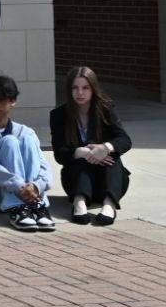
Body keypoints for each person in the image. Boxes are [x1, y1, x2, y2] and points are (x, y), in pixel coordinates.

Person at [0, 73, 54, 231]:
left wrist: (36, 186)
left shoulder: (26, 132)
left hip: (28, 194)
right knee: (9, 141)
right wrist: (19, 186)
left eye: (1, 99)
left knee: (25, 140)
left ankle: (35, 205)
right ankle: (17, 208)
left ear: (12, 101)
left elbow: (43, 166)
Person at [50, 65, 131, 226]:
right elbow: (60, 153)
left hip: (108, 182)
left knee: (112, 159)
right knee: (79, 159)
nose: (80, 93)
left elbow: (124, 140)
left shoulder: (105, 109)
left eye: (85, 88)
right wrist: (82, 152)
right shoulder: (59, 115)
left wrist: (105, 148)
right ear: (69, 90)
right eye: (75, 88)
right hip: (76, 181)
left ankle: (109, 206)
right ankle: (79, 203)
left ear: (93, 88)